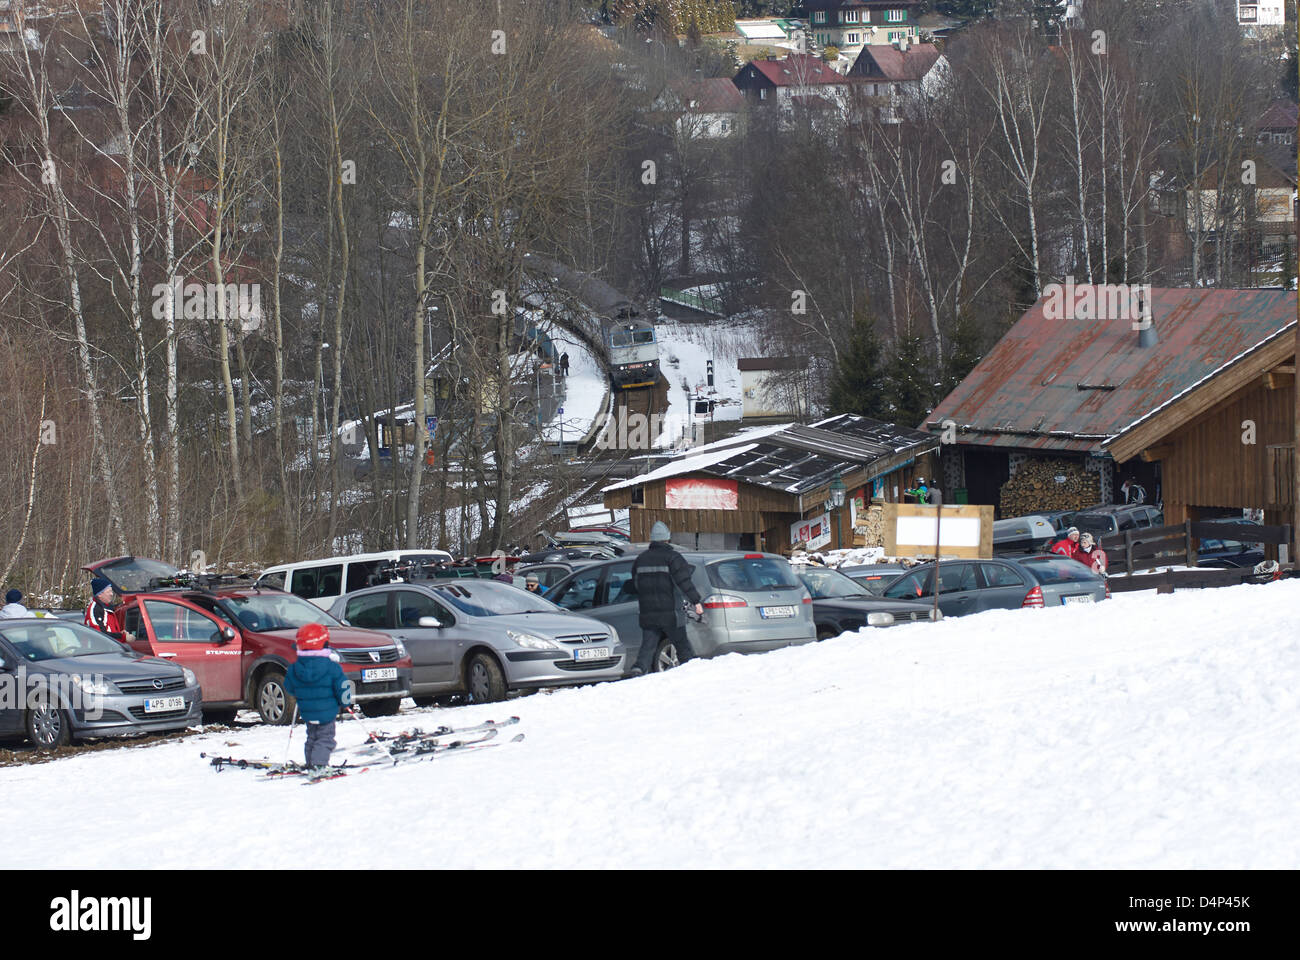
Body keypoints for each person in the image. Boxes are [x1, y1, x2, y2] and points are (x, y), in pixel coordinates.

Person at [629, 521, 703, 677]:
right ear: (667, 539)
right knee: (682, 647)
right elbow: (684, 582)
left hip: (648, 612)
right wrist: (696, 601)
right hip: (671, 613)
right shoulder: (673, 558)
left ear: (652, 539)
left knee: (648, 647)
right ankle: (691, 674)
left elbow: (635, 585)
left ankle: (638, 670)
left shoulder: (640, 559)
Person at [282, 623, 351, 770]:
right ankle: (318, 765)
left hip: (307, 711)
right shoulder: (331, 667)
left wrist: (300, 693)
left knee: (312, 737)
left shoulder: (294, 668)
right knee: (325, 738)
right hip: (327, 712)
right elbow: (342, 686)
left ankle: (310, 762)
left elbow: (289, 687)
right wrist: (345, 702)